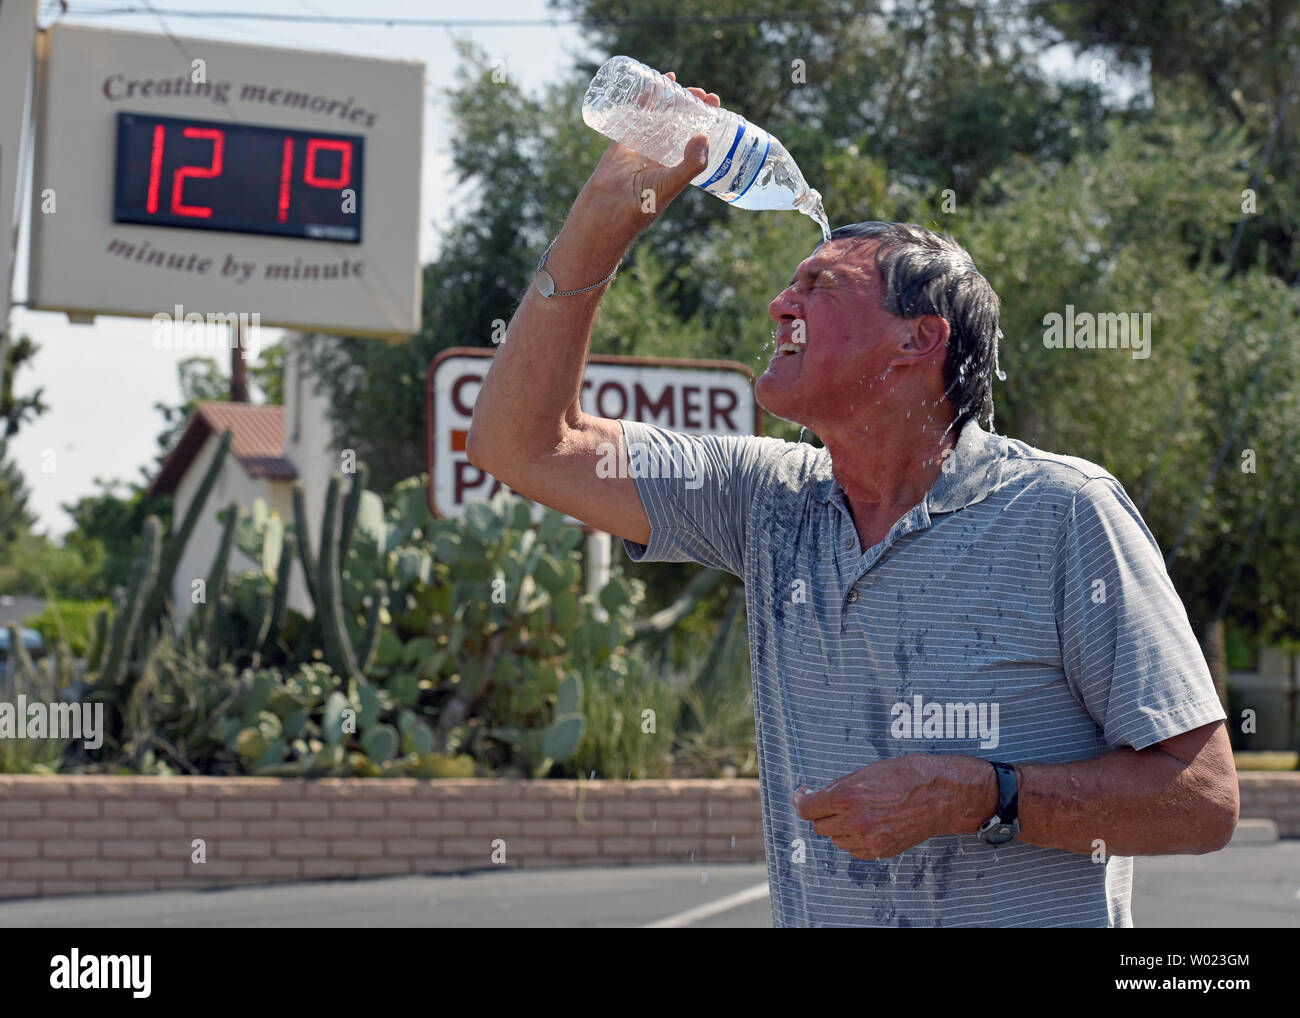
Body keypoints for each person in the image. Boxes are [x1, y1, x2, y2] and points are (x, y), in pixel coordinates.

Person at [467, 75, 1238, 928]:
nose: (778, 303)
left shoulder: (1064, 513)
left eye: (820, 285)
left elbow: (1202, 801)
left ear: (920, 339)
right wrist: (599, 223)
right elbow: (521, 446)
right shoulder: (765, 501)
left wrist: (984, 795)